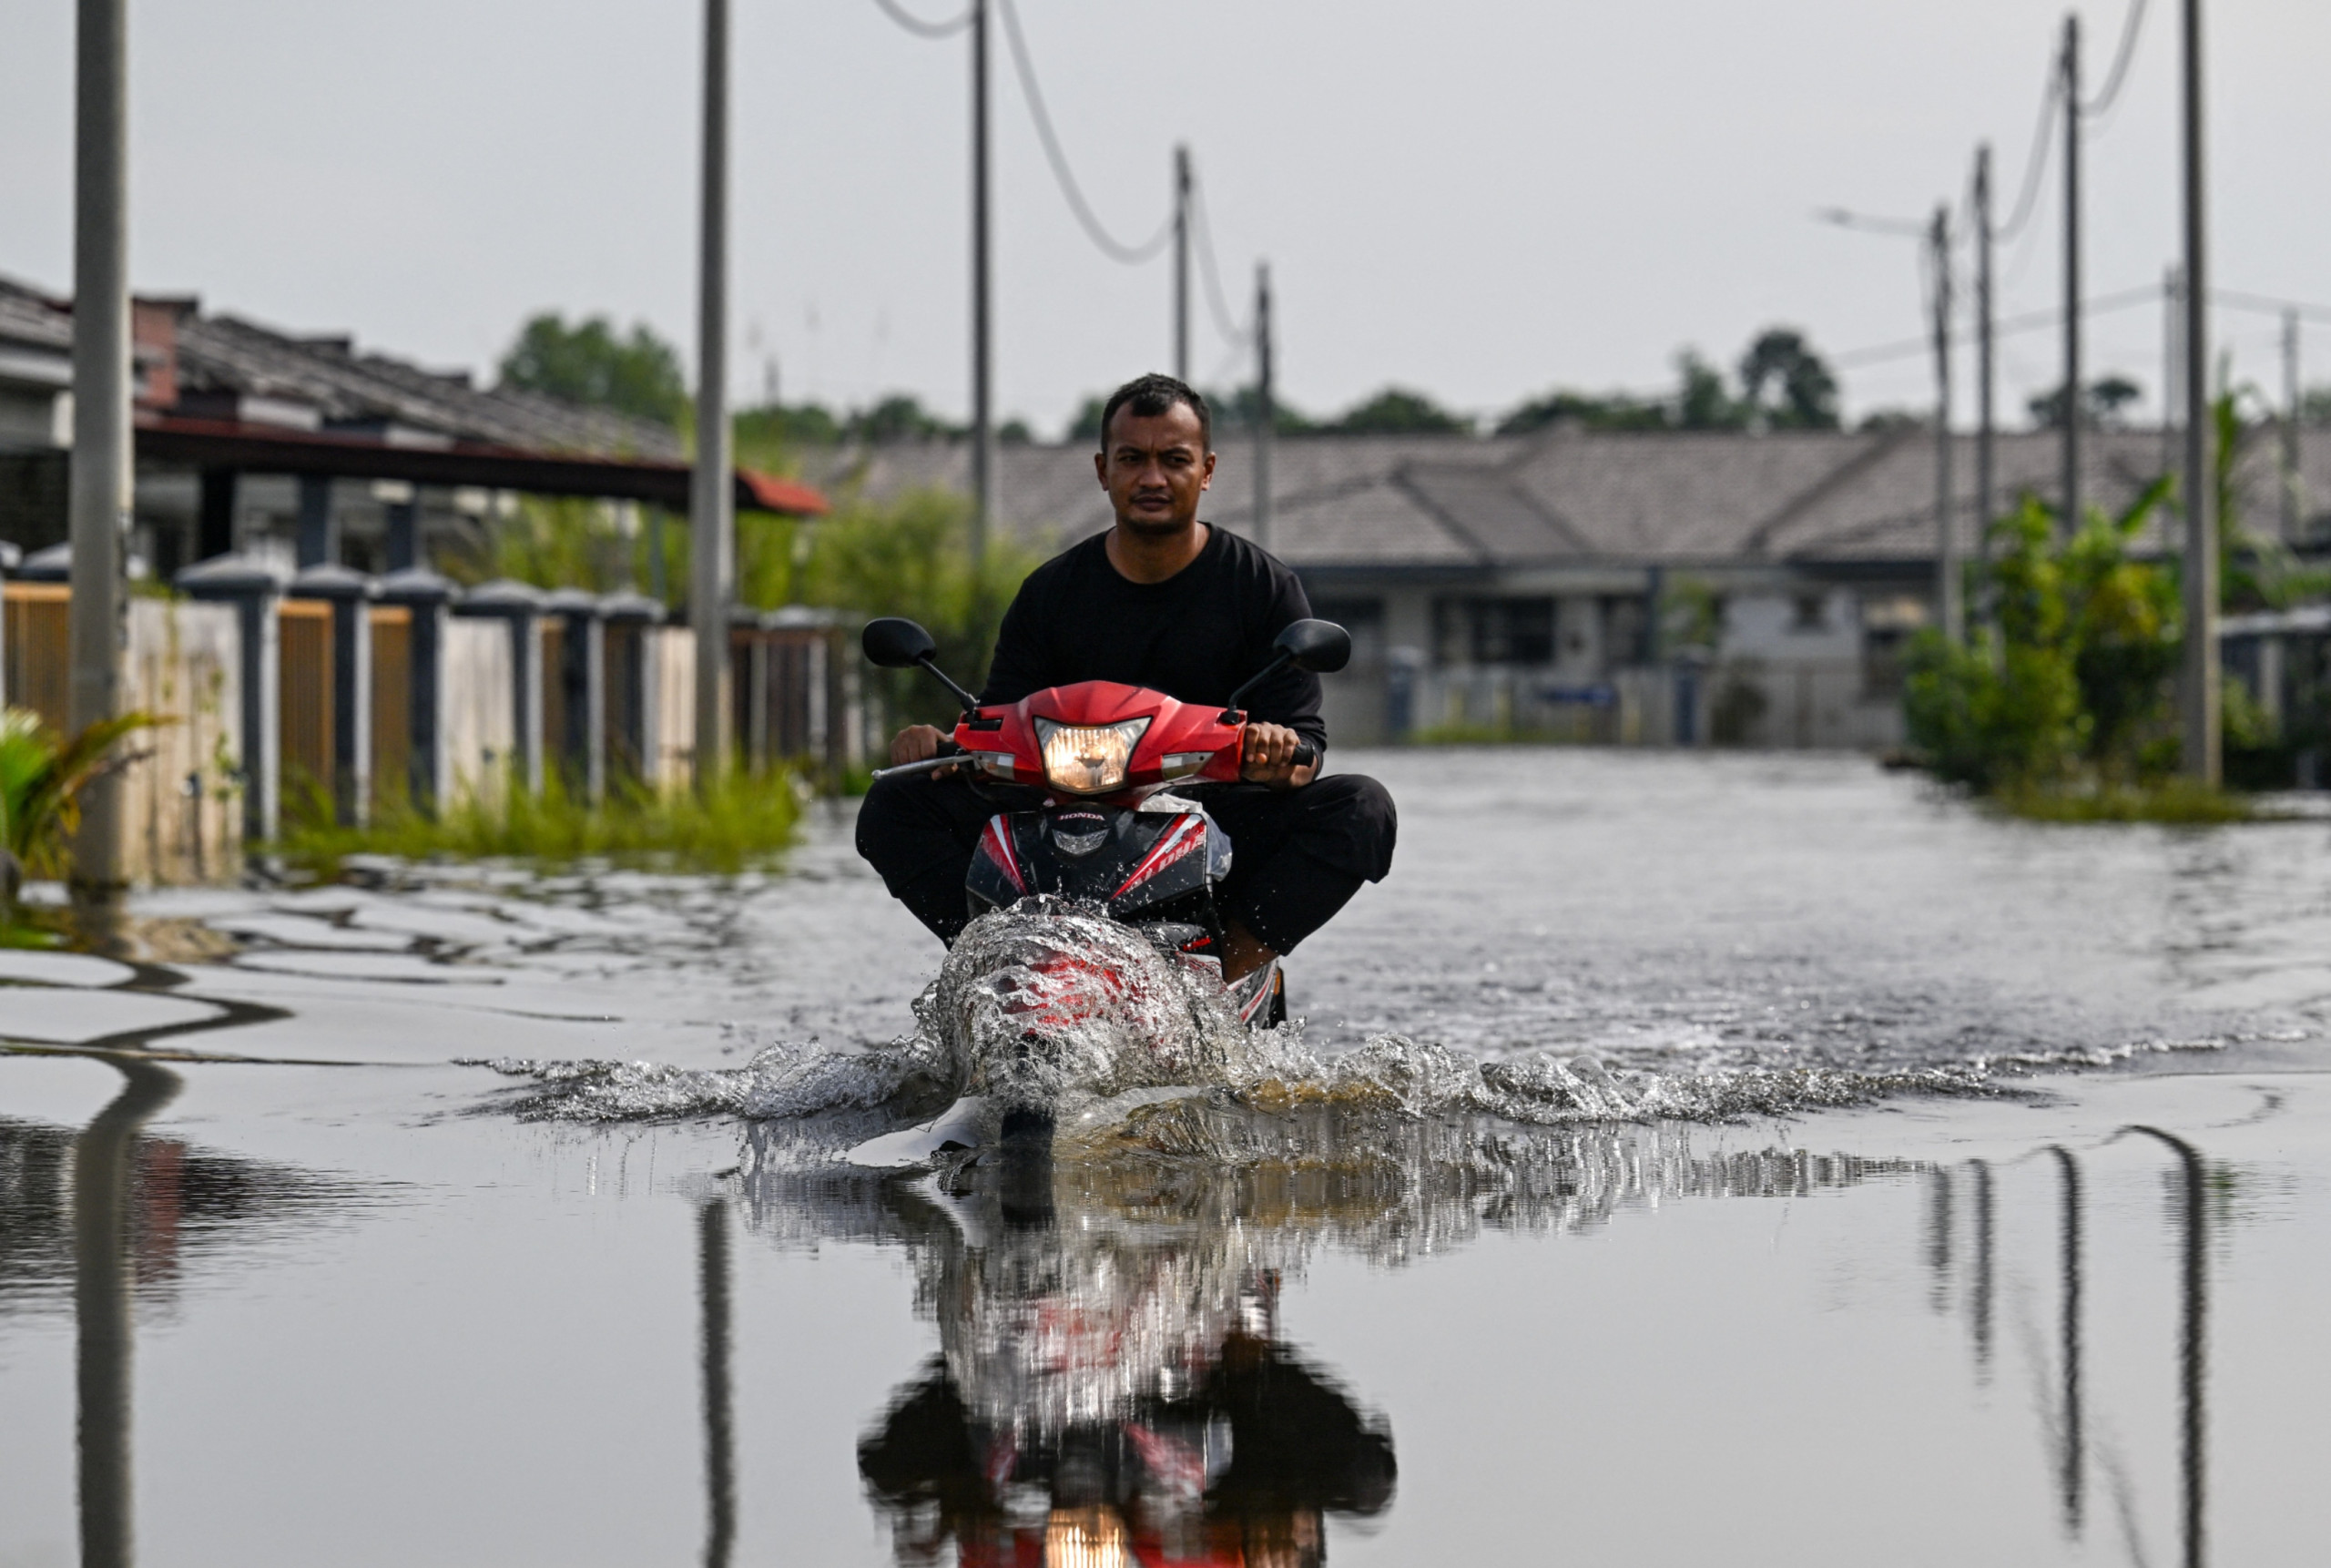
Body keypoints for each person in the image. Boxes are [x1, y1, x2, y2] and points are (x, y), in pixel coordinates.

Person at [854, 372, 1395, 981]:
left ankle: (1226, 971)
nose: (1153, 478)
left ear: (1207, 470)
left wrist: (1277, 753)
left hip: (1213, 813)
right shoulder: (1051, 592)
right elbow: (998, 724)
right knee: (893, 803)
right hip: (1062, 814)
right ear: (1103, 469)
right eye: (1133, 459)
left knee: (1363, 808)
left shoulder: (1262, 586)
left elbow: (1305, 745)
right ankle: (998, 961)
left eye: (1175, 460)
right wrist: (945, 747)